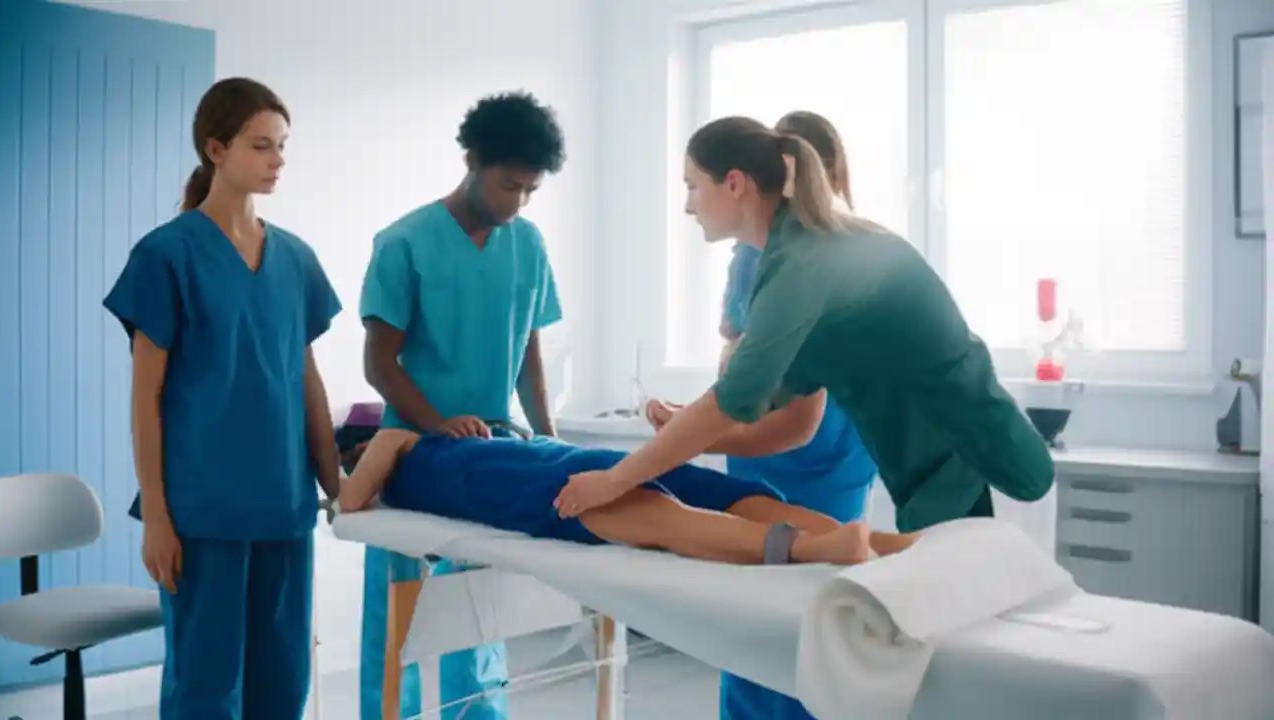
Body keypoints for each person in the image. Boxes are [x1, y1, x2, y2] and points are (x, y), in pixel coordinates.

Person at [554, 115, 1054, 539]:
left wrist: (613, 481)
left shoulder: (803, 265)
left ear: (734, 183)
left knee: (963, 612)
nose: (687, 205)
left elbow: (735, 400)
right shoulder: (790, 258)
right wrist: (687, 419)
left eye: (691, 186)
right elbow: (771, 387)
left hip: (973, 457)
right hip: (923, 461)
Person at [102, 77, 342, 719]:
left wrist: (338, 482)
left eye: (283, 147)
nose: (277, 160)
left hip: (284, 508)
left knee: (282, 684)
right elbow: (145, 398)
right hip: (201, 514)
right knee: (205, 690)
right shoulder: (166, 255)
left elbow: (306, 380)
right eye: (261, 146)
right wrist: (156, 516)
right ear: (216, 148)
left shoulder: (295, 259)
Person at [647, 112, 877, 720]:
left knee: (774, 596)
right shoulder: (847, 242)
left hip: (801, 435)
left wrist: (690, 431)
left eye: (696, 188)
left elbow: (744, 355)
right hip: (841, 443)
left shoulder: (777, 248)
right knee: (808, 599)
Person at [357, 91, 566, 720]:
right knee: (403, 613)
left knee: (480, 607)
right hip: (413, 453)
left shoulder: (526, 244)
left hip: (494, 451)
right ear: (472, 160)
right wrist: (436, 423)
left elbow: (528, 354)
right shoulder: (404, 243)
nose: (519, 202)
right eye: (509, 185)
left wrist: (550, 440)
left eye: (531, 189)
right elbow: (379, 363)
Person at [335, 430, 921, 564]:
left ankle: (814, 551)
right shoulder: (451, 441)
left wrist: (347, 473)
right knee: (729, 495)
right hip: (580, 462)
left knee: (671, 523)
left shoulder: (400, 450)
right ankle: (888, 543)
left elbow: (348, 507)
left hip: (543, 489)